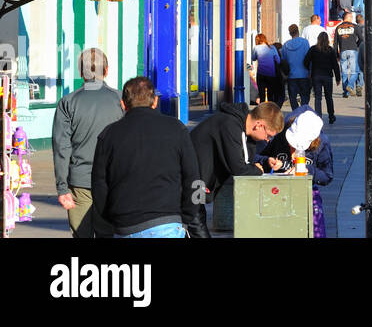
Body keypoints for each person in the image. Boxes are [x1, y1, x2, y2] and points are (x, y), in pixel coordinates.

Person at [91, 77, 204, 239]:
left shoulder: (108, 135)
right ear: (155, 101)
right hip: (168, 223)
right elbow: (194, 178)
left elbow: (99, 185)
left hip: (125, 225)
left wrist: (111, 217)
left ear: (123, 103)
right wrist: (188, 215)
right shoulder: (177, 129)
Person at [52, 48, 121, 237]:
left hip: (80, 182)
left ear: (81, 72)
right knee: (108, 233)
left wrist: (62, 187)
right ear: (106, 70)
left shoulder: (68, 102)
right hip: (112, 181)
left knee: (81, 234)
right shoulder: (121, 100)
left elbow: (61, 147)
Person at [189, 100, 285, 236]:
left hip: (195, 182)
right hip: (188, 182)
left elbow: (245, 159)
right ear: (259, 125)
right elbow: (239, 169)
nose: (267, 140)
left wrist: (263, 161)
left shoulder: (241, 128)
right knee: (197, 227)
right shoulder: (229, 125)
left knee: (195, 224)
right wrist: (257, 170)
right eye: (268, 135)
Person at [255, 106, 334, 238]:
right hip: (278, 194)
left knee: (314, 230)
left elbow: (327, 176)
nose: (294, 148)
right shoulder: (279, 136)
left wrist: (309, 171)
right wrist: (267, 161)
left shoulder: (322, 143)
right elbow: (256, 157)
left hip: (306, 195)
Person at [307, 31, 341, 124]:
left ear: (318, 39)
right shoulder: (330, 50)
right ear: (327, 40)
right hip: (327, 76)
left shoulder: (313, 49)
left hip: (316, 75)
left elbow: (306, 61)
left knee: (318, 98)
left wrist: (309, 70)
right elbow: (335, 65)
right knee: (328, 97)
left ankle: (318, 116)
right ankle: (331, 116)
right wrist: (338, 78)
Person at [282, 24, 312, 110]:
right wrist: (310, 70)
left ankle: (296, 112)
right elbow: (308, 58)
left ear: (290, 33)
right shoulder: (305, 42)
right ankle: (303, 111)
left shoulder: (285, 45)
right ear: (298, 31)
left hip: (291, 75)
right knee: (305, 95)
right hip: (304, 74)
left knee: (292, 97)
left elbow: (283, 61)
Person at [334, 12, 363, 98]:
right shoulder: (355, 27)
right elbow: (362, 39)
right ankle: (350, 86)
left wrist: (336, 55)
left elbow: (335, 43)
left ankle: (345, 92)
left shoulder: (338, 27)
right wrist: (356, 44)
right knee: (355, 71)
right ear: (349, 17)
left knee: (344, 72)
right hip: (353, 50)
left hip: (343, 51)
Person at [253, 34, 284, 105]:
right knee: (270, 94)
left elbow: (253, 58)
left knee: (262, 94)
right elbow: (278, 61)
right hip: (271, 74)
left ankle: (262, 111)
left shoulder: (256, 48)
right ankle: (270, 111)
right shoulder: (272, 48)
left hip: (261, 74)